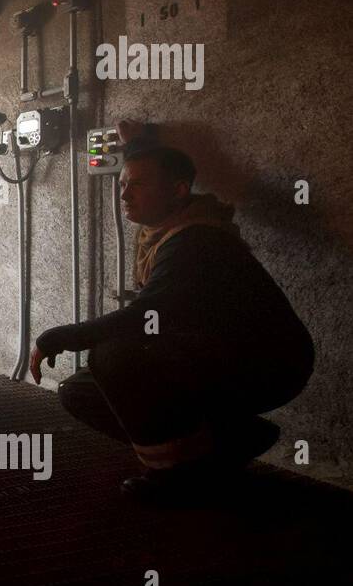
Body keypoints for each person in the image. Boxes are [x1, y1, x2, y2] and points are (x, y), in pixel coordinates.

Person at [31, 146, 314, 504]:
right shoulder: (167, 232)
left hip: (268, 364)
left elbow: (147, 314)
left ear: (178, 190)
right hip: (215, 353)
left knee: (112, 357)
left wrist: (59, 337)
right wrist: (137, 140)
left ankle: (175, 476)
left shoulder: (197, 239)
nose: (124, 193)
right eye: (122, 183)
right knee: (80, 392)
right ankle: (231, 439)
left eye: (137, 184)